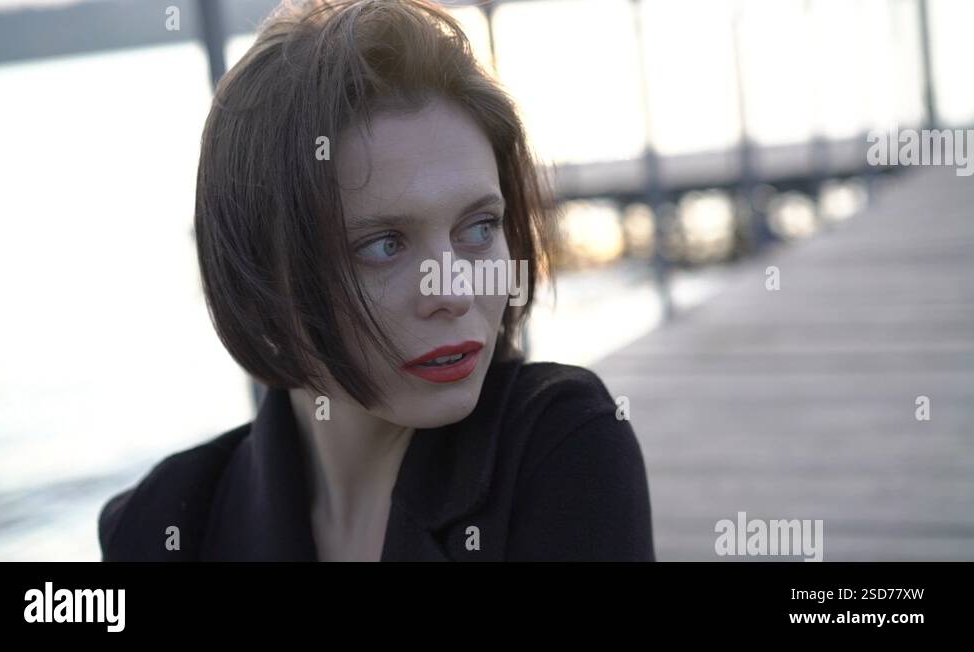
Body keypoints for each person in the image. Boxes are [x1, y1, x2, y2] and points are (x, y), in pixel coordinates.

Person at [98, 0, 655, 561]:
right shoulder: (158, 524)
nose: (454, 291)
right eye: (383, 246)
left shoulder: (562, 449)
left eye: (480, 227)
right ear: (262, 271)